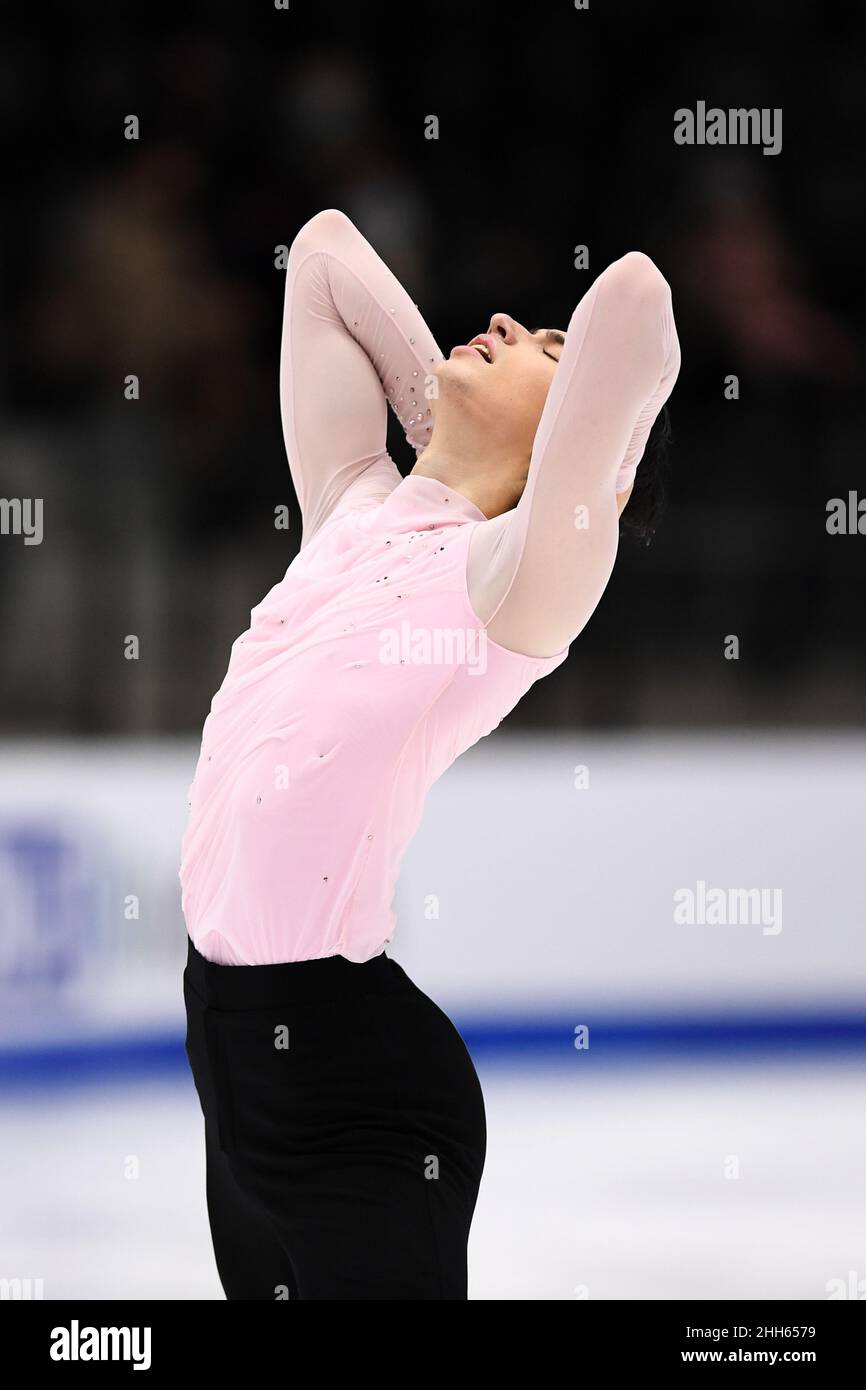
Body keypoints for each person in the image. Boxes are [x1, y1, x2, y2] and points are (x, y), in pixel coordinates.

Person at [179, 208, 681, 1300]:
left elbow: (635, 299)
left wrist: (574, 473)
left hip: (359, 1098)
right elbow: (319, 253)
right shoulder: (348, 508)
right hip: (231, 1080)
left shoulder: (511, 581)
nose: (502, 322)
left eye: (548, 345)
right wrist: (441, 422)